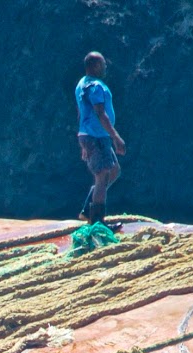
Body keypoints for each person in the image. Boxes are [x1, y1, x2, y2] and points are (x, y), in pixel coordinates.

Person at [75, 51, 126, 225]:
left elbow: (81, 113)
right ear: (95, 66)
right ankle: (97, 221)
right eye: (103, 65)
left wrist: (82, 140)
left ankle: (88, 209)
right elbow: (100, 113)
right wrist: (116, 136)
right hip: (96, 137)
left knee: (114, 171)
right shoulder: (96, 86)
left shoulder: (82, 84)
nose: (105, 68)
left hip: (93, 136)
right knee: (103, 175)